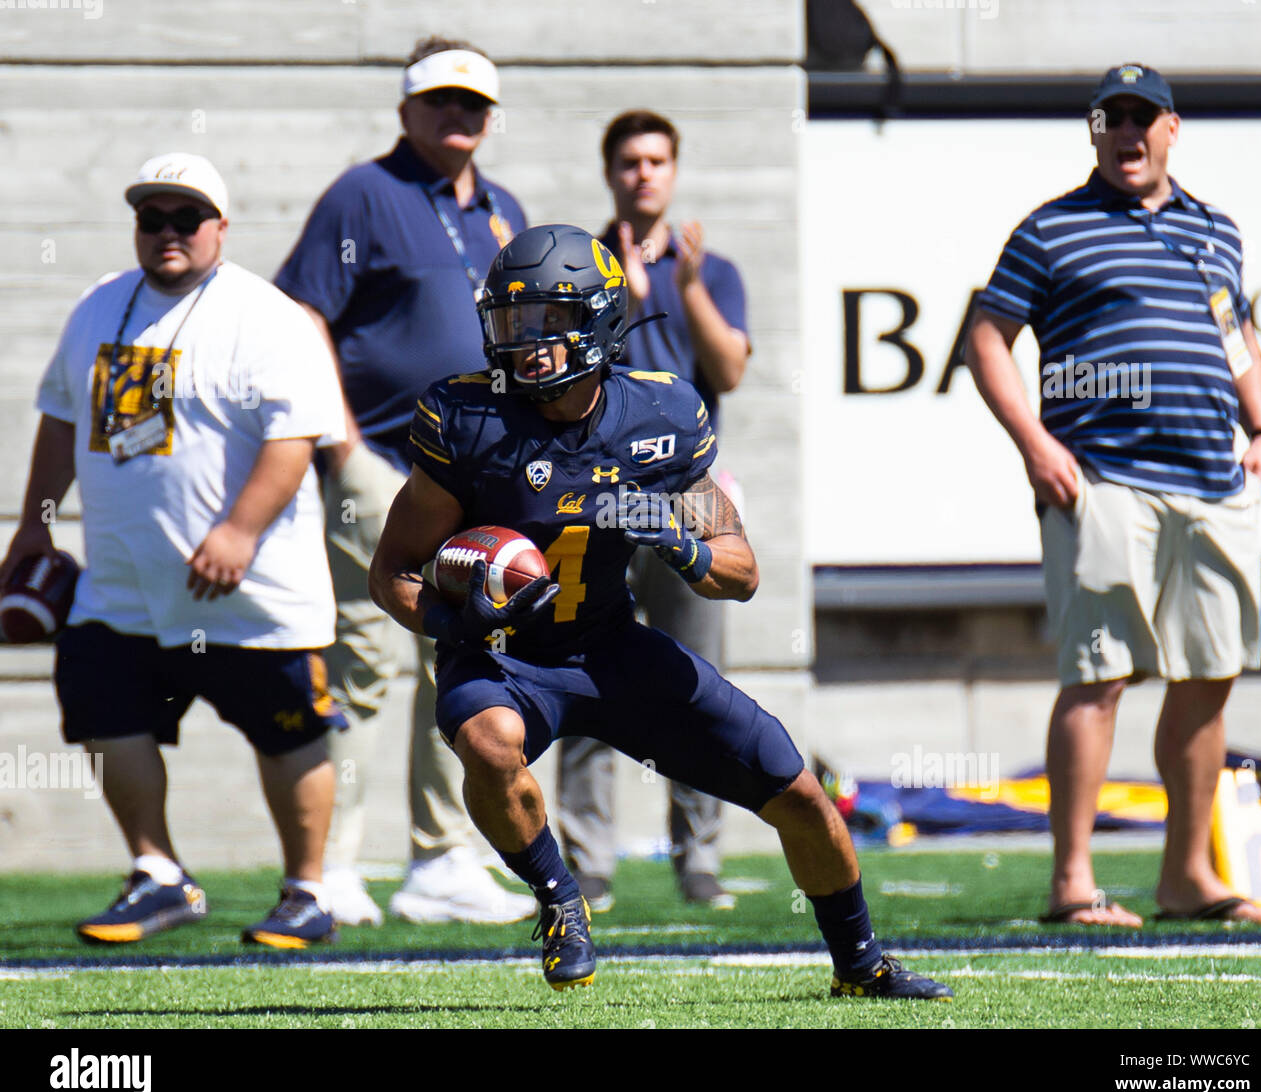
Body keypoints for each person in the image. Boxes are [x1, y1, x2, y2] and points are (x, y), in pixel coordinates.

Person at [369, 223, 954, 999]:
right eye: (512, 323)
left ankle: (860, 962)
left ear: (599, 322)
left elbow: (741, 572)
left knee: (800, 795)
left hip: (612, 649)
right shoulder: (467, 419)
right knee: (487, 740)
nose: (526, 344)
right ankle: (559, 899)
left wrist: (686, 549)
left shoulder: (660, 415)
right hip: (505, 655)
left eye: (548, 321)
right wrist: (456, 623)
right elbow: (392, 574)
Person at [0, 153, 349, 947]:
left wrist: (240, 530)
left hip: (251, 590)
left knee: (289, 731)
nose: (167, 233)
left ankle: (307, 891)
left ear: (220, 228)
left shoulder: (268, 316)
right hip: (124, 582)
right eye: (151, 218)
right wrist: (34, 523)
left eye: (185, 218)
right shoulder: (99, 308)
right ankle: (159, 874)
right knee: (100, 705)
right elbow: (62, 416)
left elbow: (296, 438)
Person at [965, 64, 1261, 927]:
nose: (1129, 132)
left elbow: (1236, 334)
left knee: (1210, 675)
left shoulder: (1216, 231)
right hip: (1104, 482)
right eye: (1113, 118)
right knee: (1098, 676)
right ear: (1095, 132)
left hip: (1215, 487)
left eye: (1145, 117)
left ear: (1173, 129)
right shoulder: (1051, 230)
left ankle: (1186, 877)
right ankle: (1073, 884)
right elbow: (986, 338)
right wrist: (1033, 441)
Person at [274, 35, 534, 926]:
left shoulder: (500, 209)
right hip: (380, 462)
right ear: (406, 111)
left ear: (490, 118)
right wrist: (341, 445)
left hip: (475, 472)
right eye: (440, 100)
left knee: (457, 656)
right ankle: (334, 866)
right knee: (369, 657)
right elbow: (303, 311)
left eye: (472, 103)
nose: (456, 114)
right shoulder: (363, 194)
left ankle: (441, 859)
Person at [557, 110, 750, 911]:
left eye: (657, 161)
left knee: (697, 677)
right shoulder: (573, 266)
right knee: (578, 665)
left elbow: (729, 370)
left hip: (686, 488)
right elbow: (566, 382)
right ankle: (587, 860)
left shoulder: (712, 267)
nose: (644, 175)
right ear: (610, 173)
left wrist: (688, 289)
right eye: (630, 162)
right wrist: (623, 302)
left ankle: (698, 857)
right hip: (589, 491)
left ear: (673, 172)